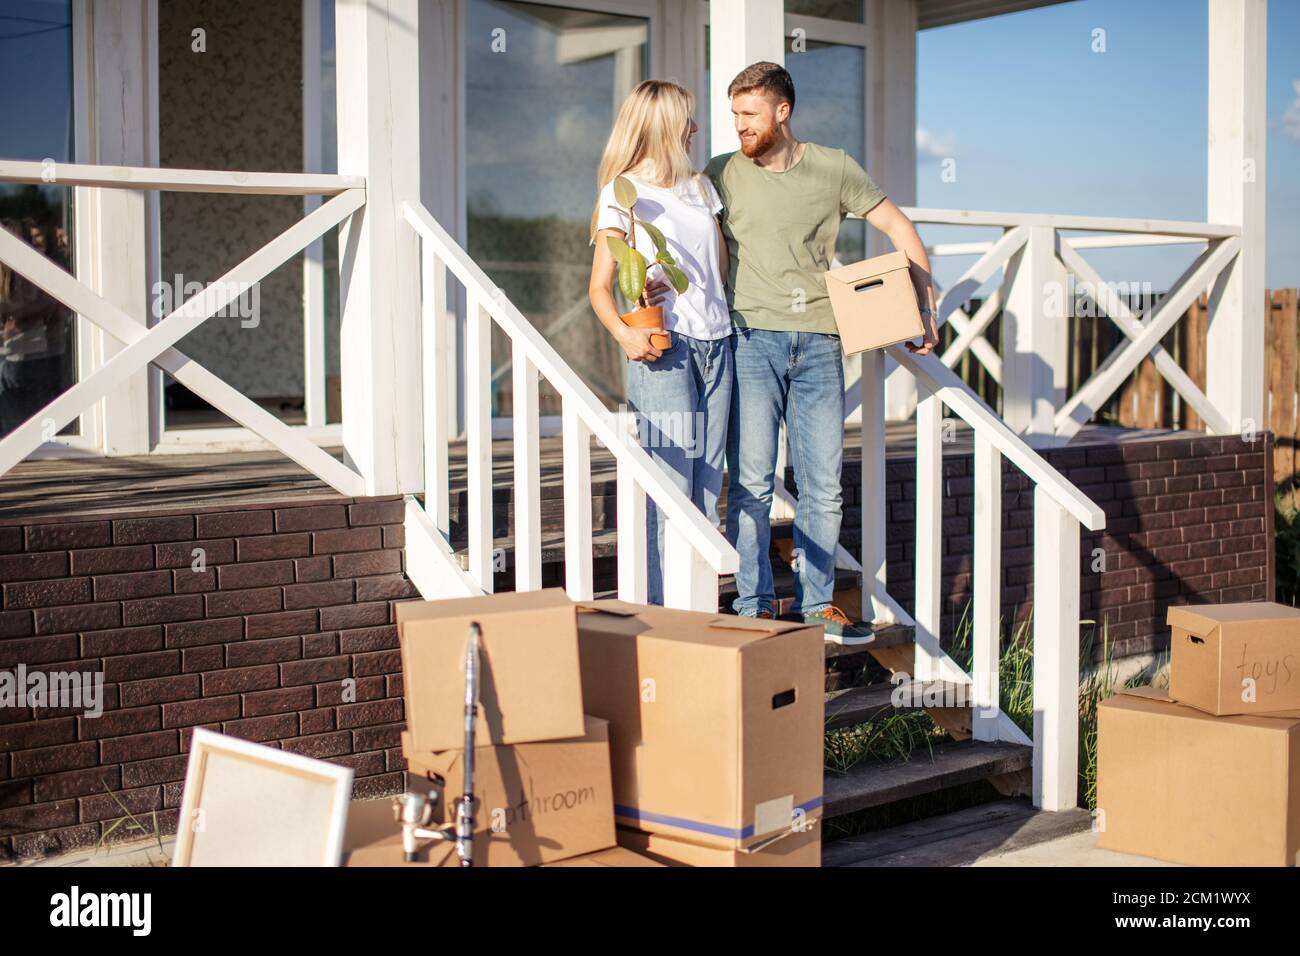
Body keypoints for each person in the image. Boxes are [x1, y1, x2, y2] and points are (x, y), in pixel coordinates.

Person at [695, 61, 940, 638]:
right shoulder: (721, 173)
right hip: (751, 340)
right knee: (752, 480)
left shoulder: (835, 169)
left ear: (783, 111)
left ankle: (817, 605)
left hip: (823, 345)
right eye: (734, 115)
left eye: (749, 114)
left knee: (822, 484)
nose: (739, 126)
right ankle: (753, 606)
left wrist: (924, 306)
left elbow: (901, 231)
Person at [587, 80, 734, 605]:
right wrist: (627, 332)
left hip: (720, 344)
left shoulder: (700, 188)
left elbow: (717, 269)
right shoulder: (622, 192)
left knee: (706, 485)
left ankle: (695, 607)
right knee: (668, 486)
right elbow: (600, 289)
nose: (695, 129)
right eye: (687, 119)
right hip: (667, 351)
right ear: (664, 126)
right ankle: (662, 617)